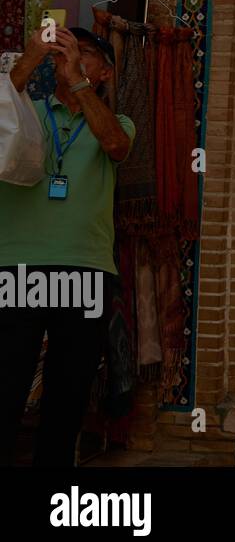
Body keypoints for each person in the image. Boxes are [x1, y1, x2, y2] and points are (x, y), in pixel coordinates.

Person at [0, 26, 135, 467]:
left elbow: (115, 145)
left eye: (86, 52)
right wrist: (31, 56)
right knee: (6, 382)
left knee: (68, 392)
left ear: (106, 73)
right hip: (18, 266)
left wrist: (77, 80)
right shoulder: (26, 110)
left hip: (85, 269)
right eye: (64, 49)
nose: (71, 56)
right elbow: (1, 111)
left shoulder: (115, 122)